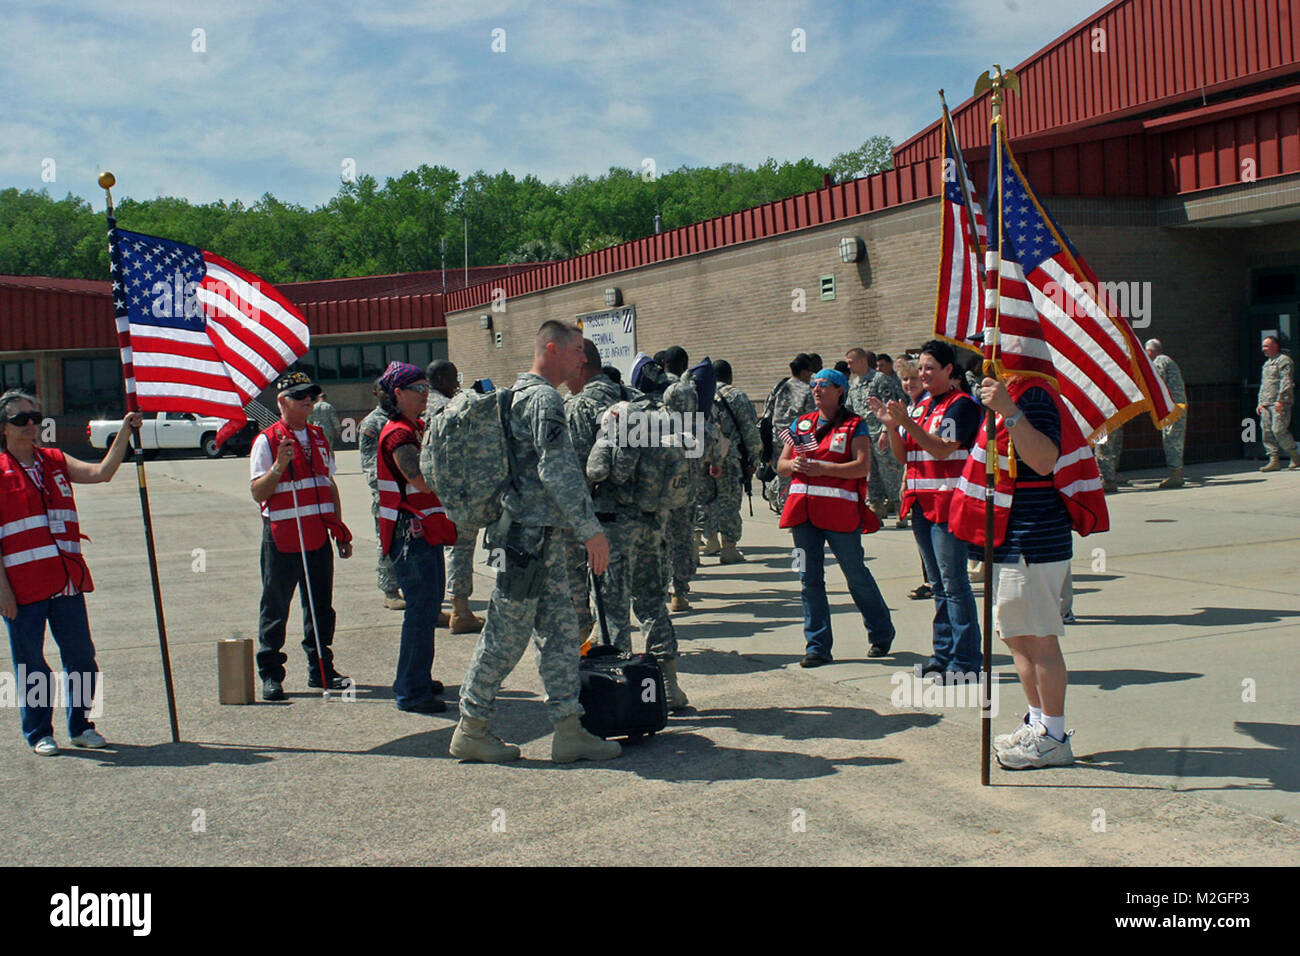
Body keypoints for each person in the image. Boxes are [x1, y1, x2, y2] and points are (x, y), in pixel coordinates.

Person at [450, 321, 619, 764]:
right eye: (577, 350)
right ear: (552, 349)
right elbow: (557, 470)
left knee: (561, 634)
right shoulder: (544, 399)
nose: (583, 358)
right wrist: (591, 530)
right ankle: (471, 726)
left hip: (543, 540)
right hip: (529, 542)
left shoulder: (520, 395)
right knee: (505, 636)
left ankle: (569, 729)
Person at [950, 374, 1109, 769]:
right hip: (1008, 540)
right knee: (1016, 638)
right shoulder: (1007, 391)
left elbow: (1043, 460)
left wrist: (1010, 412)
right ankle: (1038, 723)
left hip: (1035, 540)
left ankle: (1055, 736)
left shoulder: (1034, 394)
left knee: (1040, 639)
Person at [0, 390, 138, 755]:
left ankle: (82, 724)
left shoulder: (55, 460)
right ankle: (39, 732)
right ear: (4, 428)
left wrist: (124, 432)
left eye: (35, 417)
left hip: (66, 581)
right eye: (20, 420)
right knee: (32, 663)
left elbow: (102, 472)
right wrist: (2, 590)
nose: (31, 424)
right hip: (22, 586)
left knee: (81, 656)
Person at [871, 339, 982, 679]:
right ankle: (943, 653)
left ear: (950, 370)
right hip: (922, 504)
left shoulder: (961, 405)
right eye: (920, 369)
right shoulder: (919, 408)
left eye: (930, 369)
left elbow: (942, 450)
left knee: (954, 583)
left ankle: (965, 661)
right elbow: (904, 456)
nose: (923, 375)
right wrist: (892, 425)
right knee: (937, 583)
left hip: (948, 505)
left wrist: (908, 423)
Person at [777, 369, 894, 666]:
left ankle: (880, 632)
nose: (817, 389)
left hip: (840, 516)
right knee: (808, 580)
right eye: (814, 385)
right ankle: (817, 646)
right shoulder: (801, 423)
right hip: (802, 516)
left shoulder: (854, 425)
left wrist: (823, 469)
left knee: (856, 575)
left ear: (839, 390)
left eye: (824, 385)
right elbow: (781, 464)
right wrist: (795, 464)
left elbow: (861, 466)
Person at [249, 371, 353, 701]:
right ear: (282, 401)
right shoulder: (267, 441)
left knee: (321, 607)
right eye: (299, 395)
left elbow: (328, 483)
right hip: (281, 537)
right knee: (276, 606)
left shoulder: (319, 437)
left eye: (311, 394)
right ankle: (271, 674)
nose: (308, 399)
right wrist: (279, 466)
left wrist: (339, 527)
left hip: (317, 536)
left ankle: (321, 668)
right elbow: (257, 491)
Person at [375, 362, 458, 713]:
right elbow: (419, 478)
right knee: (421, 610)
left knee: (427, 607)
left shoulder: (414, 428)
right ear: (399, 394)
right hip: (411, 533)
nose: (426, 395)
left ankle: (415, 678)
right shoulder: (398, 434)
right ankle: (411, 690)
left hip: (422, 530)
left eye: (426, 388)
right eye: (418, 389)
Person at [564, 339, 624, 644]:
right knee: (642, 604)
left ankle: (590, 667)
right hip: (642, 520)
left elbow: (573, 477)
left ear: (580, 364)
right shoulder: (633, 398)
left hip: (596, 522)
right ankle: (661, 678)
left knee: (594, 606)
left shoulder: (577, 407)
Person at [423, 360, 483, 634]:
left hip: (429, 489)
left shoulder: (423, 404)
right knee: (459, 547)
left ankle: (437, 606)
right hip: (455, 490)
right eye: (453, 379)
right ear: (444, 379)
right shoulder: (448, 407)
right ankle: (460, 611)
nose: (457, 384)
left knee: (436, 550)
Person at [700, 359, 761, 563]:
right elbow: (749, 430)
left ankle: (709, 541)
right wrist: (754, 457)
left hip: (702, 457)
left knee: (705, 501)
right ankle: (729, 549)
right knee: (729, 502)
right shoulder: (736, 396)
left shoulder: (699, 393)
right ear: (730, 376)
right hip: (729, 458)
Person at [358, 385, 408, 612]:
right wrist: (388, 490)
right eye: (382, 391)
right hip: (387, 495)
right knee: (387, 540)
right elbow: (370, 466)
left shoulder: (404, 418)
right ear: (375, 393)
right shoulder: (372, 423)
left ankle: (409, 585)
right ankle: (389, 590)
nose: (387, 395)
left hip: (410, 493)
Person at [764, 354, 817, 512]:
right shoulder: (807, 391)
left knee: (783, 477)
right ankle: (797, 511)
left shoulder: (779, 386)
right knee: (802, 477)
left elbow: (769, 410)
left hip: (778, 436)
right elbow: (811, 418)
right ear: (804, 372)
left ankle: (786, 509)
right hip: (798, 439)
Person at [864, 352, 908, 520]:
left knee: (892, 471)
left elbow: (891, 406)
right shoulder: (856, 383)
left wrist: (885, 430)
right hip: (868, 435)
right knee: (874, 474)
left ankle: (900, 508)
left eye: (882, 365)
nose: (879, 368)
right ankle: (879, 507)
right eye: (877, 365)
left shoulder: (884, 380)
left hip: (889, 431)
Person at [1144, 339, 1189, 488]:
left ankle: (1176, 476)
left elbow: (1158, 382)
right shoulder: (1168, 360)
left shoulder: (1160, 361)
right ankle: (1176, 474)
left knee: (1171, 440)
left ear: (1150, 351)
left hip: (1172, 409)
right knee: (1174, 439)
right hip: (1175, 407)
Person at [1257, 335, 1298, 471]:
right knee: (1267, 432)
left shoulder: (1283, 361)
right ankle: (1273, 460)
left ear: (1275, 346)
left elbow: (1286, 382)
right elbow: (1264, 384)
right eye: (1263, 346)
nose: (1264, 349)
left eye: (1267, 346)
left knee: (1278, 430)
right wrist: (1260, 403)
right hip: (1266, 403)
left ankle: (1294, 455)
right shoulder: (1267, 363)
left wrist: (1281, 400)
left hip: (1279, 403)